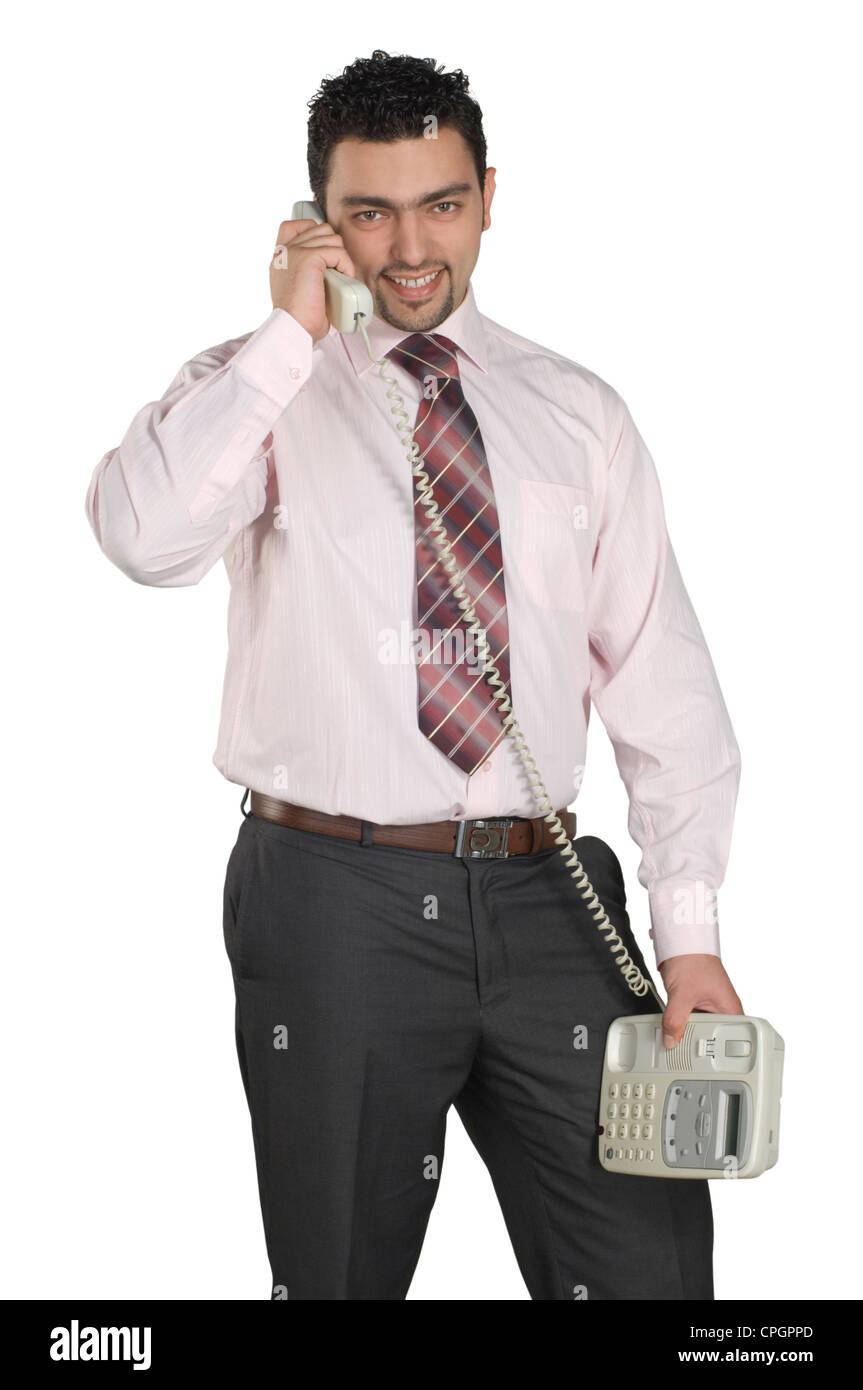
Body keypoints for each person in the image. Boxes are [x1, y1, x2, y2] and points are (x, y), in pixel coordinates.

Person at [84, 49, 744, 1301]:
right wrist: (288, 335)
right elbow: (141, 535)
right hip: (336, 896)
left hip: (555, 895)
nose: (407, 248)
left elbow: (661, 678)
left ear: (489, 195)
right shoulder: (249, 392)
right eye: (367, 211)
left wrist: (691, 928)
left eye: (439, 203)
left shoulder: (576, 412)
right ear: (314, 221)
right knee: (338, 1275)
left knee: (650, 1275)